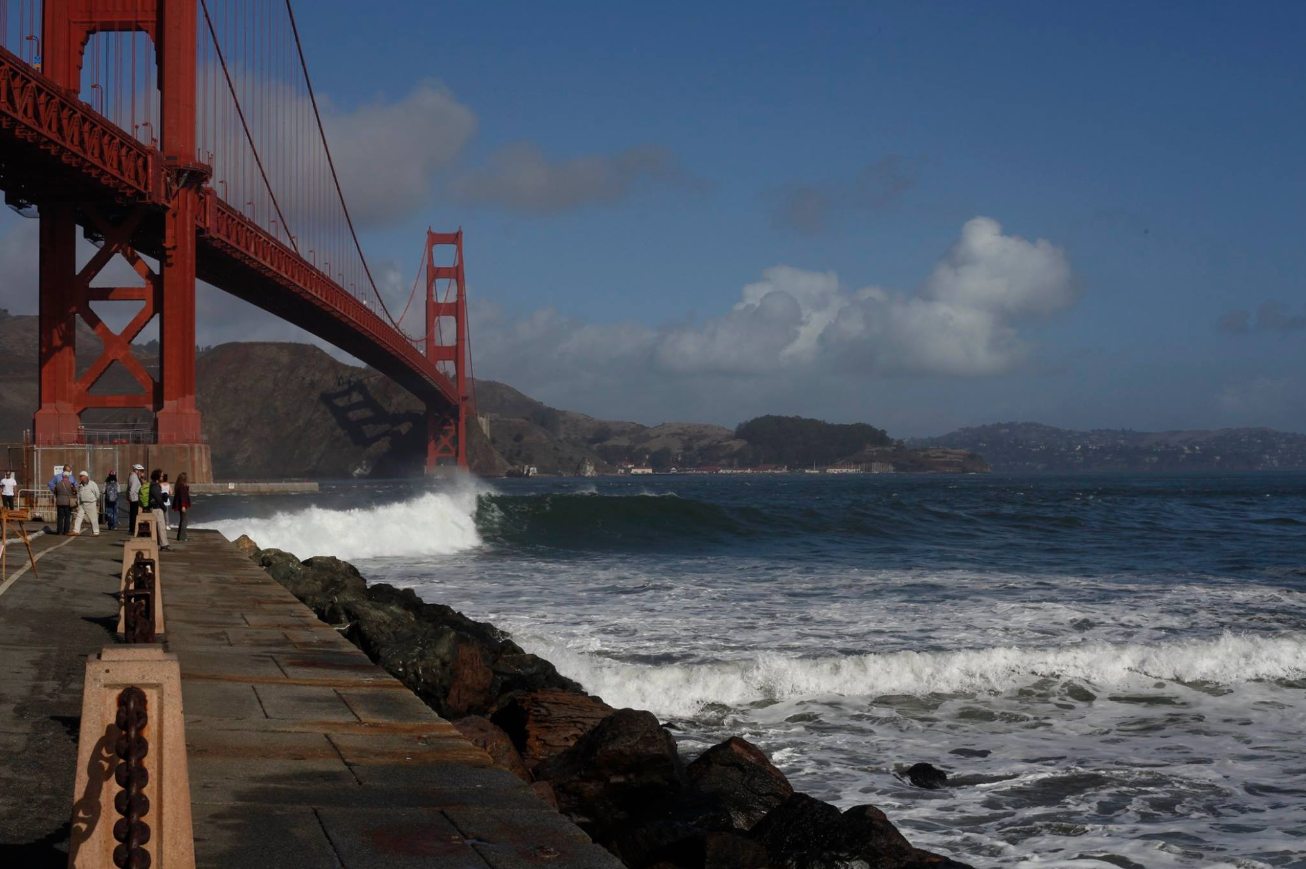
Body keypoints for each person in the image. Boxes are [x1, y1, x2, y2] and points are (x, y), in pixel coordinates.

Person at [146, 468, 170, 551]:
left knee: (157, 527)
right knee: (161, 527)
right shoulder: (155, 486)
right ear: (157, 476)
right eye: (161, 476)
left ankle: (159, 544)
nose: (163, 477)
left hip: (154, 508)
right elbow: (158, 498)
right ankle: (164, 545)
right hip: (157, 509)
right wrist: (164, 507)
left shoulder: (153, 485)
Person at [71, 471, 101, 536]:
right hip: (82, 504)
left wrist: (93, 500)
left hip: (90, 503)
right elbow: (79, 494)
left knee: (93, 518)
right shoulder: (80, 485)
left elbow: (97, 493)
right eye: (80, 476)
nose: (80, 477)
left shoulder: (92, 484)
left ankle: (96, 532)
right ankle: (75, 531)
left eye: (81, 476)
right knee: (79, 517)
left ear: (85, 476)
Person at [51, 465, 77, 535]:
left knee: (60, 517)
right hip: (68, 502)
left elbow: (55, 491)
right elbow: (74, 492)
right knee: (67, 517)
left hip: (59, 502)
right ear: (68, 476)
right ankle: (66, 531)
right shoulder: (71, 484)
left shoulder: (58, 484)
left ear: (63, 476)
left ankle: (59, 531)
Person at [173, 472, 192, 542]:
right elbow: (183, 497)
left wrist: (187, 487)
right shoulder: (182, 487)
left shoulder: (180, 486)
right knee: (184, 521)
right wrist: (183, 506)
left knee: (182, 520)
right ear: (184, 479)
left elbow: (184, 495)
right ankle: (182, 537)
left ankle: (180, 536)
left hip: (182, 505)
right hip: (183, 506)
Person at [128, 464, 144, 534]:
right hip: (135, 498)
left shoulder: (133, 476)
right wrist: (131, 498)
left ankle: (132, 529)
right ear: (137, 470)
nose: (141, 472)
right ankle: (133, 529)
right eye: (141, 471)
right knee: (134, 515)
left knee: (133, 514)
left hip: (134, 498)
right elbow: (132, 489)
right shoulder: (134, 477)